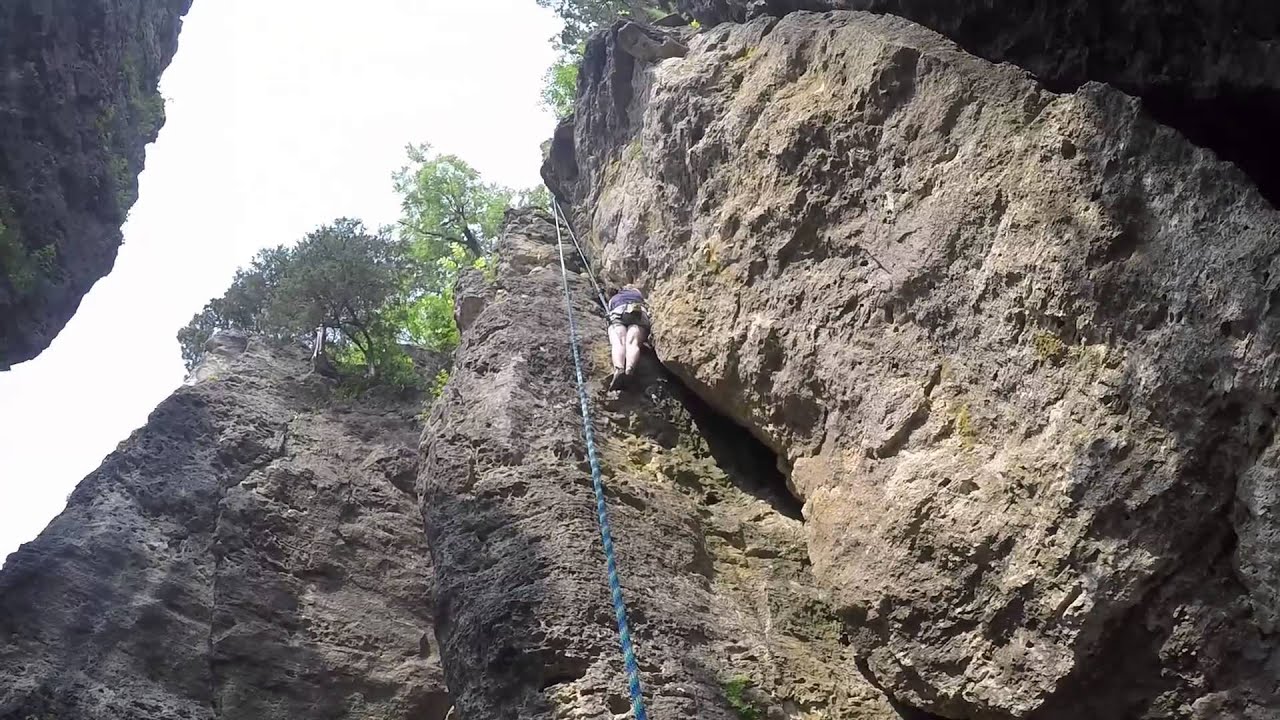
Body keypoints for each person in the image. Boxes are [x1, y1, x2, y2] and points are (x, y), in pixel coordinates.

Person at [606, 284, 651, 390]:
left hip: (618, 313)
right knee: (633, 342)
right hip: (637, 311)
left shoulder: (612, 300)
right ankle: (629, 369)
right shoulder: (636, 292)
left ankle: (619, 368)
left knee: (619, 342)